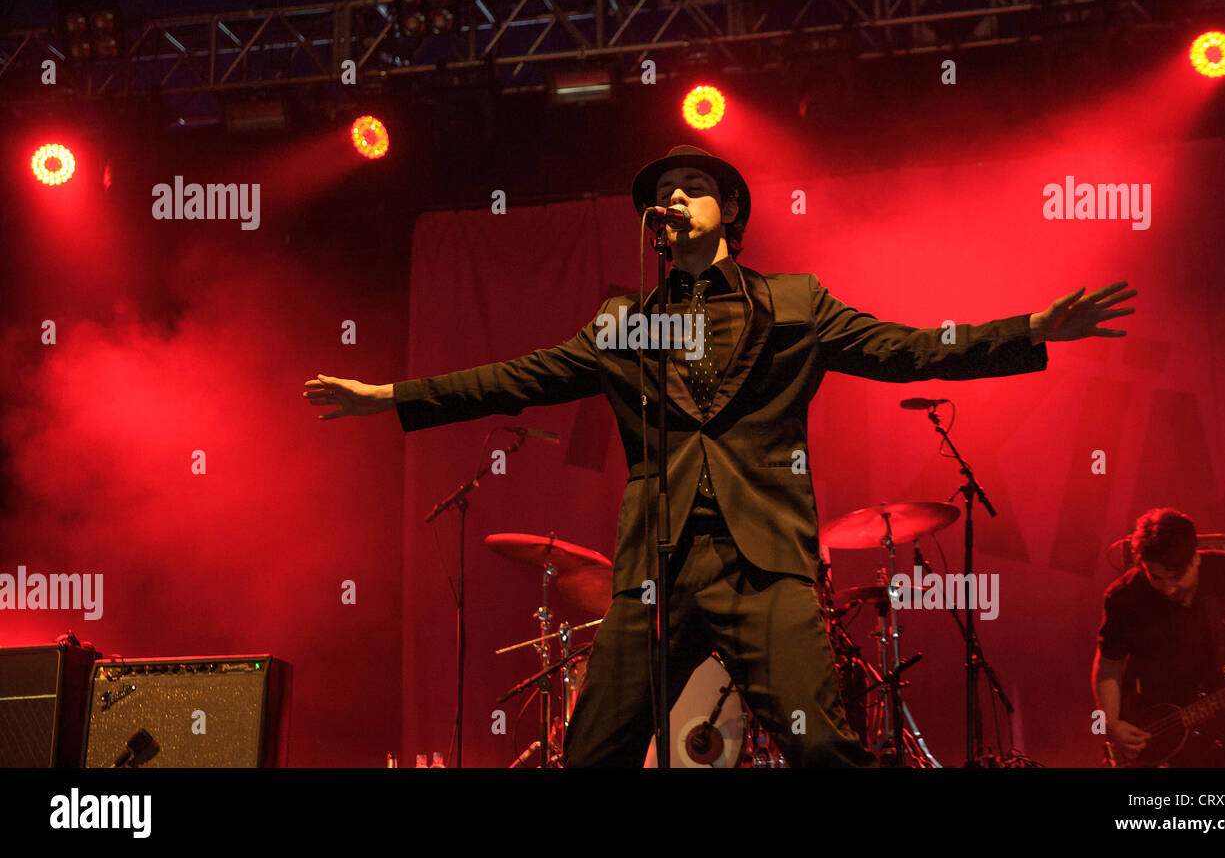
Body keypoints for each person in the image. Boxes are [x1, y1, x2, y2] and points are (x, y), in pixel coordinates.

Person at [305, 144, 1137, 767]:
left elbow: (907, 348)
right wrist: (391, 397)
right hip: (657, 566)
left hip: (764, 563)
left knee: (824, 749)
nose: (673, 196)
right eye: (663, 192)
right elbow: (517, 377)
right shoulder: (623, 321)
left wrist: (1028, 330)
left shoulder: (795, 302)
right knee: (592, 751)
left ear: (730, 211)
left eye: (693, 188)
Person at [1093, 507, 1225, 766]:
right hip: (1173, 741)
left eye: (1176, 577)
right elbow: (1108, 666)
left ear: (1195, 558)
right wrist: (1111, 724)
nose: (1168, 588)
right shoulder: (1124, 597)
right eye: (1156, 578)